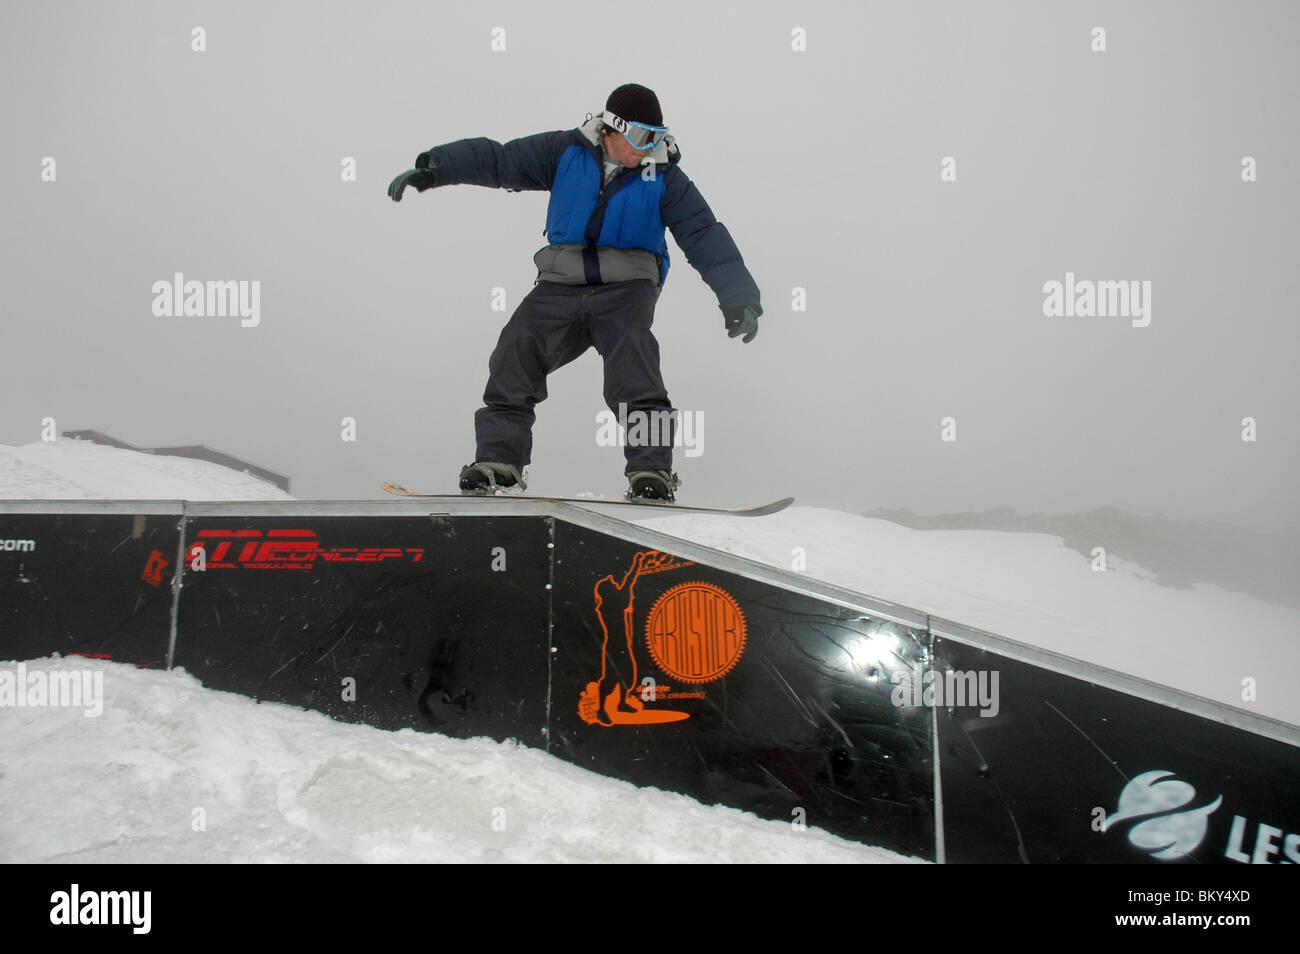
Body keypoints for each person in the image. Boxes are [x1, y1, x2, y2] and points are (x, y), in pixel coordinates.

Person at [388, 83, 762, 501]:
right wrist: (436, 168)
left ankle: (652, 472)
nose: (647, 149)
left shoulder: (664, 177)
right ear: (611, 128)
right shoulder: (565, 152)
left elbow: (704, 234)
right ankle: (499, 463)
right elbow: (498, 160)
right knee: (516, 348)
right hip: (560, 286)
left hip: (627, 289)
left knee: (634, 365)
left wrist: (739, 297)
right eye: (640, 138)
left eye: (656, 139)